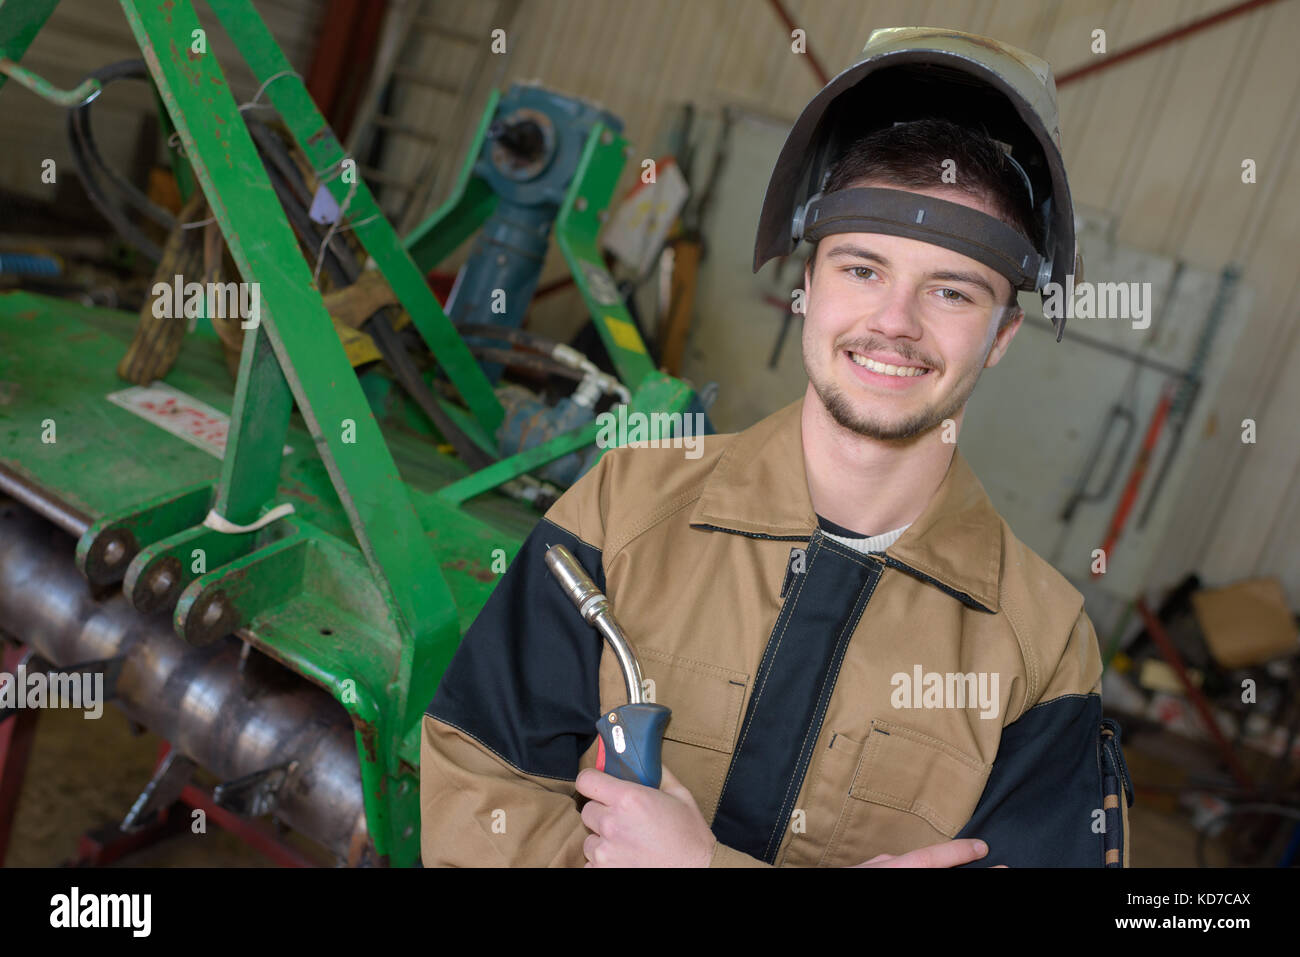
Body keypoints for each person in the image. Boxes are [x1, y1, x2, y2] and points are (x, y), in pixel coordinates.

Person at [420, 26, 1133, 868]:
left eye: (950, 290)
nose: (894, 324)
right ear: (807, 288)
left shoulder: (1041, 645)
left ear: (1003, 333)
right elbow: (477, 802)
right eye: (862, 270)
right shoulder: (625, 511)